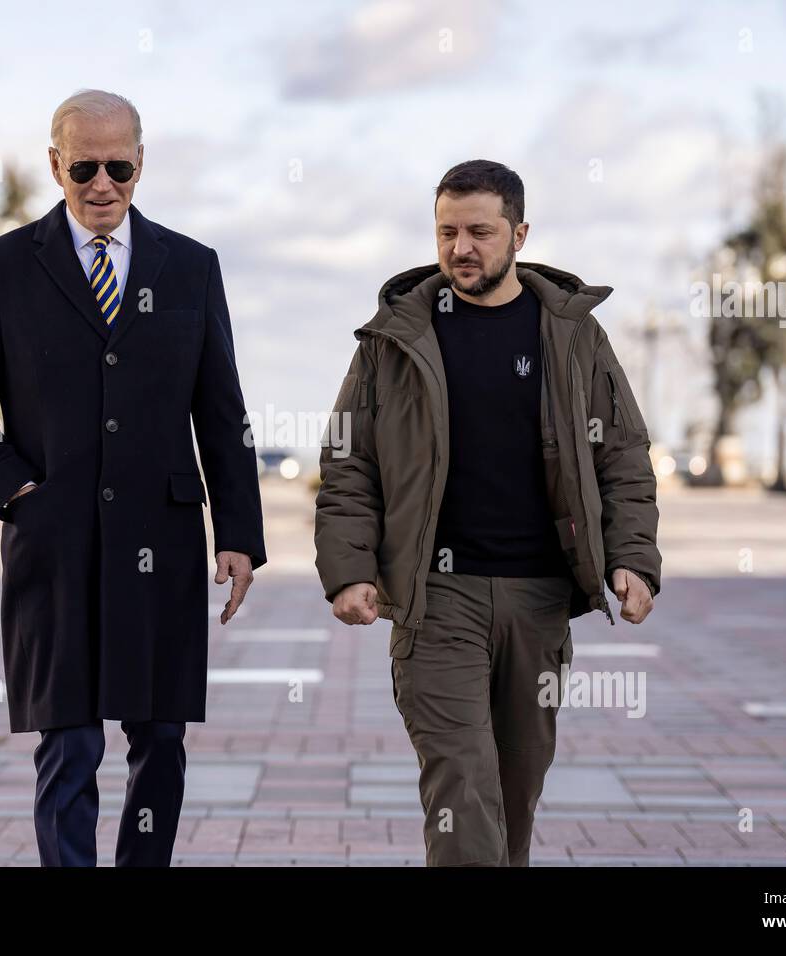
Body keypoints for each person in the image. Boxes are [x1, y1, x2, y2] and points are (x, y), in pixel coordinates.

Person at [0, 89, 265, 866]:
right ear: (56, 164)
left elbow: (222, 415)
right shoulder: (3, 269)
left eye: (119, 166)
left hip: (163, 544)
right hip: (57, 549)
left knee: (160, 741)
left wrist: (241, 536)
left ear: (141, 163)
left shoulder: (191, 267)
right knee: (70, 743)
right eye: (84, 167)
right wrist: (16, 491)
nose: (102, 184)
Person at [314, 160, 661, 867]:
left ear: (520, 233)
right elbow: (349, 464)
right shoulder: (394, 341)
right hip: (436, 603)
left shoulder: (572, 337)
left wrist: (633, 559)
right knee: (462, 794)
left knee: (512, 795)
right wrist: (348, 569)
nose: (460, 248)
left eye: (479, 231)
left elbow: (621, 455)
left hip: (539, 603)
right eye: (446, 232)